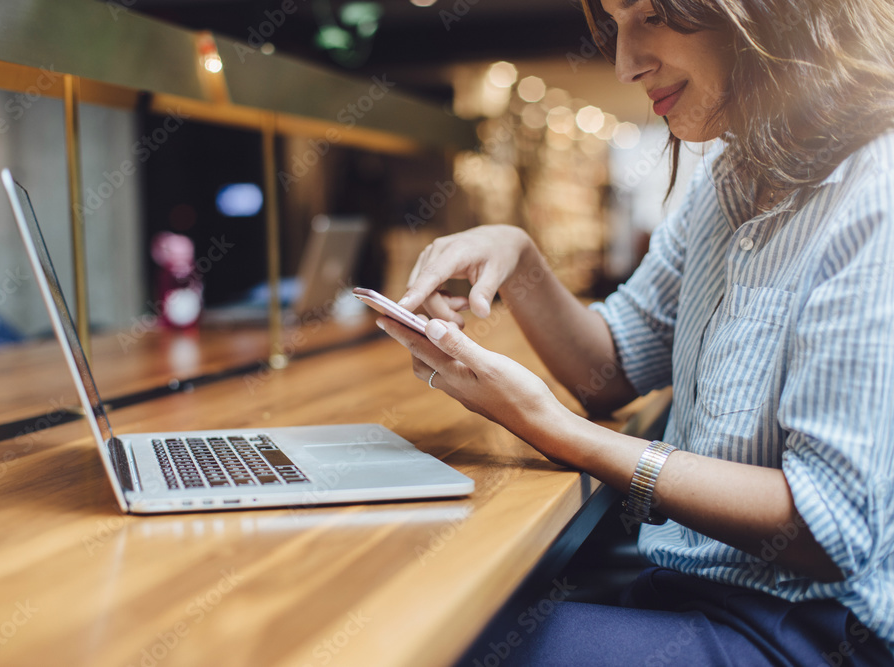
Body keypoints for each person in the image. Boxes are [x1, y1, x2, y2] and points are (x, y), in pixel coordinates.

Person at [376, 0, 894, 663]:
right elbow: (611, 367)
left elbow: (831, 525)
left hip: (804, 630)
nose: (625, 64)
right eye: (616, 27)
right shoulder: (727, 182)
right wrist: (517, 257)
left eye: (651, 16)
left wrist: (555, 429)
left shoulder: (873, 187)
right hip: (690, 593)